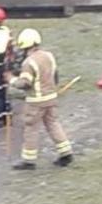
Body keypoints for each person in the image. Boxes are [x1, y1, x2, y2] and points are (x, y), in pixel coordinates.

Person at [10, 28, 73, 170]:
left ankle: (28, 160)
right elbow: (55, 76)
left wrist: (12, 80)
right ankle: (66, 153)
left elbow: (24, 83)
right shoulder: (49, 56)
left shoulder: (29, 62)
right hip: (51, 97)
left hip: (36, 101)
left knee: (31, 128)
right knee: (53, 124)